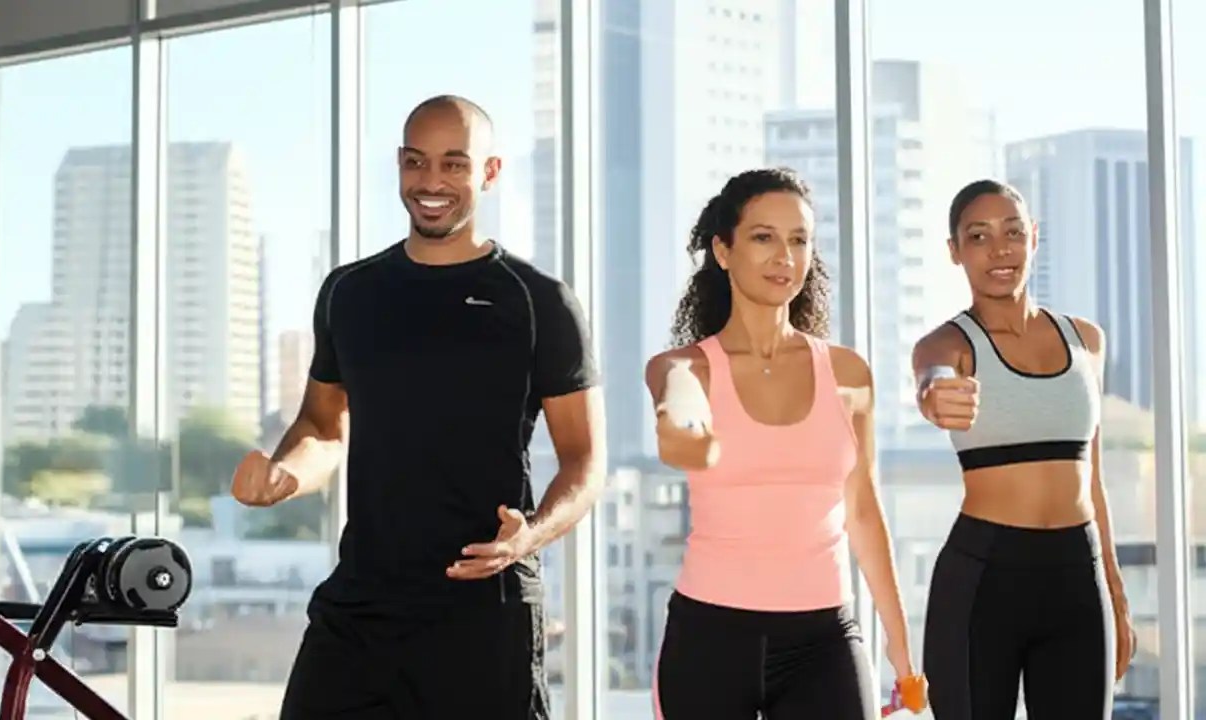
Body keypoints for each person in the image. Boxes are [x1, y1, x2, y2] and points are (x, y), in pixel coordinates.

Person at [230, 94, 606, 720]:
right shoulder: (350, 293)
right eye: (415, 162)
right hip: (360, 606)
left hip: (483, 606)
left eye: (454, 165)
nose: (431, 183)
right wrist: (283, 477)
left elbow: (586, 460)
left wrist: (530, 536)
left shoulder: (540, 303)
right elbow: (324, 426)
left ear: (489, 172)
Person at [645, 167, 919, 719]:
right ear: (723, 251)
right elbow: (676, 409)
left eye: (799, 240)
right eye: (763, 237)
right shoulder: (682, 368)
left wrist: (901, 647)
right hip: (709, 638)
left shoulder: (848, 375)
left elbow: (863, 510)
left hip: (824, 640)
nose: (784, 257)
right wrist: (682, 425)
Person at [915, 179, 1135, 719]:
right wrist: (934, 394)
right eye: (979, 236)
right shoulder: (948, 344)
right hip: (983, 579)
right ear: (955, 251)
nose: (999, 250)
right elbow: (933, 376)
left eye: (1013, 232)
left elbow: (1093, 478)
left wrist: (1114, 589)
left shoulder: (1087, 340)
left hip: (1076, 578)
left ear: (1034, 238)